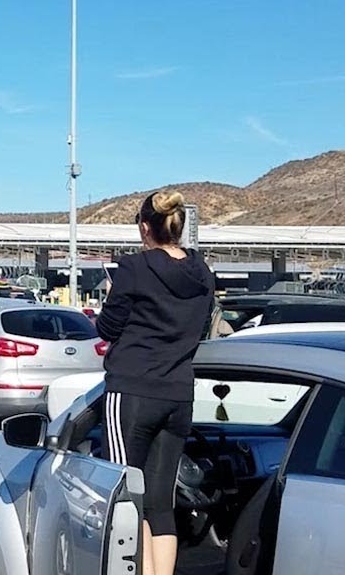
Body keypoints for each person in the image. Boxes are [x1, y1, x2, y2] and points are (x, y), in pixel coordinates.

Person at [96, 191, 214, 575]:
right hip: (179, 394)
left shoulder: (133, 268)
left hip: (131, 394)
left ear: (145, 228)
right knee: (161, 503)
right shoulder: (202, 273)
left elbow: (107, 327)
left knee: (127, 501)